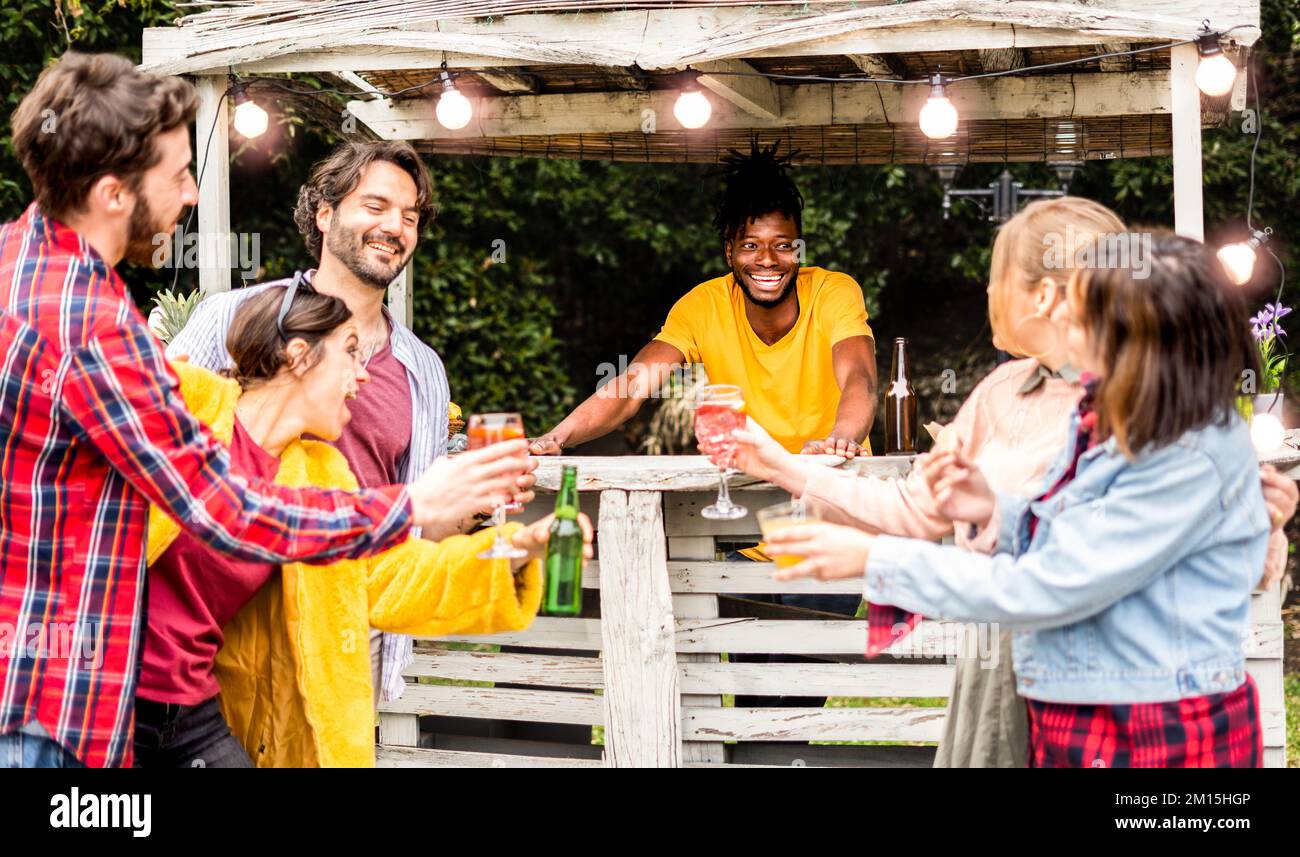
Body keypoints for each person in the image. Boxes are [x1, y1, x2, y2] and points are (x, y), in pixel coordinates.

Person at [0, 52, 475, 768]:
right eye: (176, 175)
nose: (191, 195)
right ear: (112, 193)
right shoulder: (93, 323)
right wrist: (409, 509)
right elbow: (222, 505)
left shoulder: (14, 260)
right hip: (54, 703)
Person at [763, 232, 1277, 767]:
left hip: (1160, 732)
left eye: (1082, 317)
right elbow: (1076, 529)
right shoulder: (1118, 417)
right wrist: (994, 508)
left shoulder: (1186, 453)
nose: (1066, 332)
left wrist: (874, 558)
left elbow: (1057, 583)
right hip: (1080, 713)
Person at [134, 284, 590, 767]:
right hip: (101, 694)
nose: (364, 375)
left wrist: (516, 550)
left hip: (188, 711)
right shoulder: (185, 404)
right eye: (351, 353)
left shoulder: (320, 474)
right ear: (298, 356)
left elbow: (387, 576)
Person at [168, 141, 455, 705]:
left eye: (410, 216)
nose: (394, 227)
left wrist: (472, 506)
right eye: (375, 206)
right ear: (324, 214)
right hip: (229, 627)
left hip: (351, 632)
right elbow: (157, 434)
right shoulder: (234, 317)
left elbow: (419, 527)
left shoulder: (422, 370)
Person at [530, 141, 878, 460]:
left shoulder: (833, 292)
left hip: (835, 473)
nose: (768, 259)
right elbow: (634, 385)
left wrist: (840, 440)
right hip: (751, 480)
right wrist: (557, 436)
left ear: (799, 249)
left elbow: (858, 377)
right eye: (750, 245)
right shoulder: (702, 306)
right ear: (730, 253)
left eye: (783, 245)